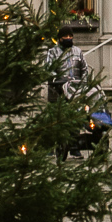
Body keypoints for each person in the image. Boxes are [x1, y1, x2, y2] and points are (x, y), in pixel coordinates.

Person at [46, 27, 90, 162]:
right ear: (60, 38)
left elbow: (85, 69)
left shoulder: (77, 51)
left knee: (75, 119)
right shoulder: (52, 52)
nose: (69, 38)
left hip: (75, 92)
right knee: (55, 119)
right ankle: (51, 147)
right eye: (66, 36)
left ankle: (74, 148)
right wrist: (58, 80)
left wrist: (83, 82)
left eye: (71, 36)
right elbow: (48, 69)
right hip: (57, 92)